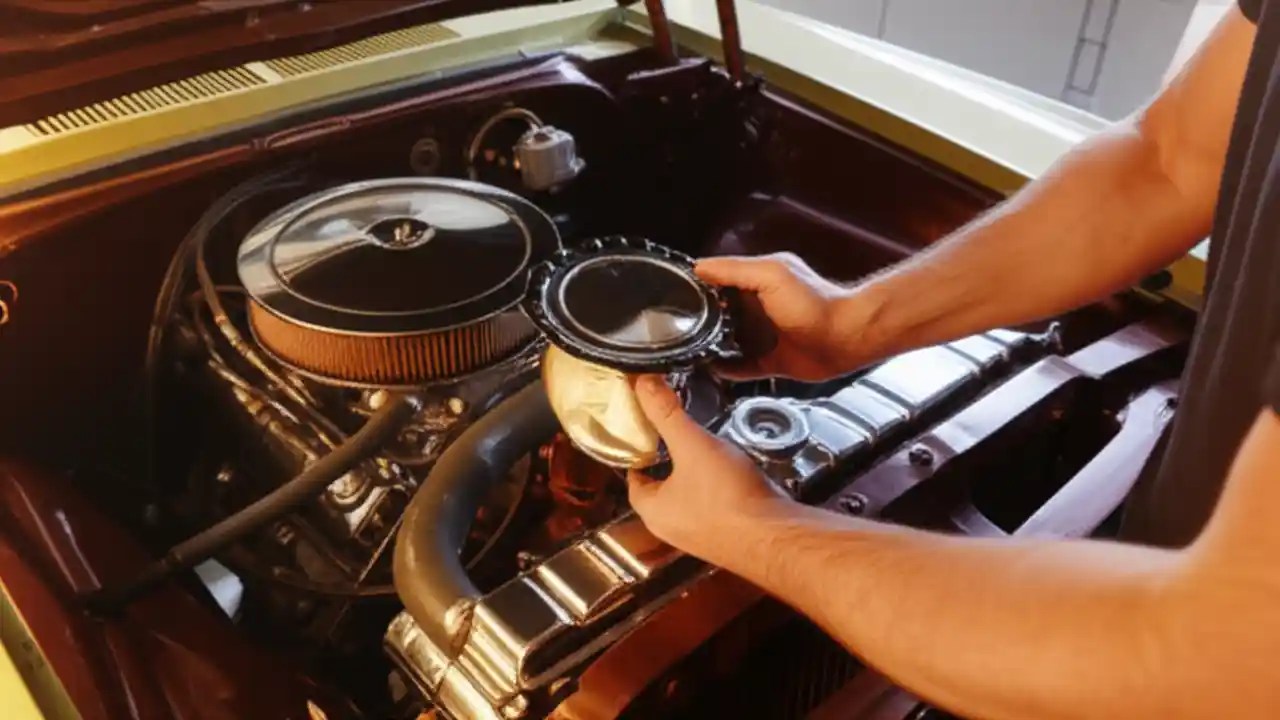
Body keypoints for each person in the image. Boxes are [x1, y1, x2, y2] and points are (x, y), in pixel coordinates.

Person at [625, 2, 1280, 718]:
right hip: (1168, 545)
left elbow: (1206, 657)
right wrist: (852, 323)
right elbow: (1173, 159)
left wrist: (759, 531)